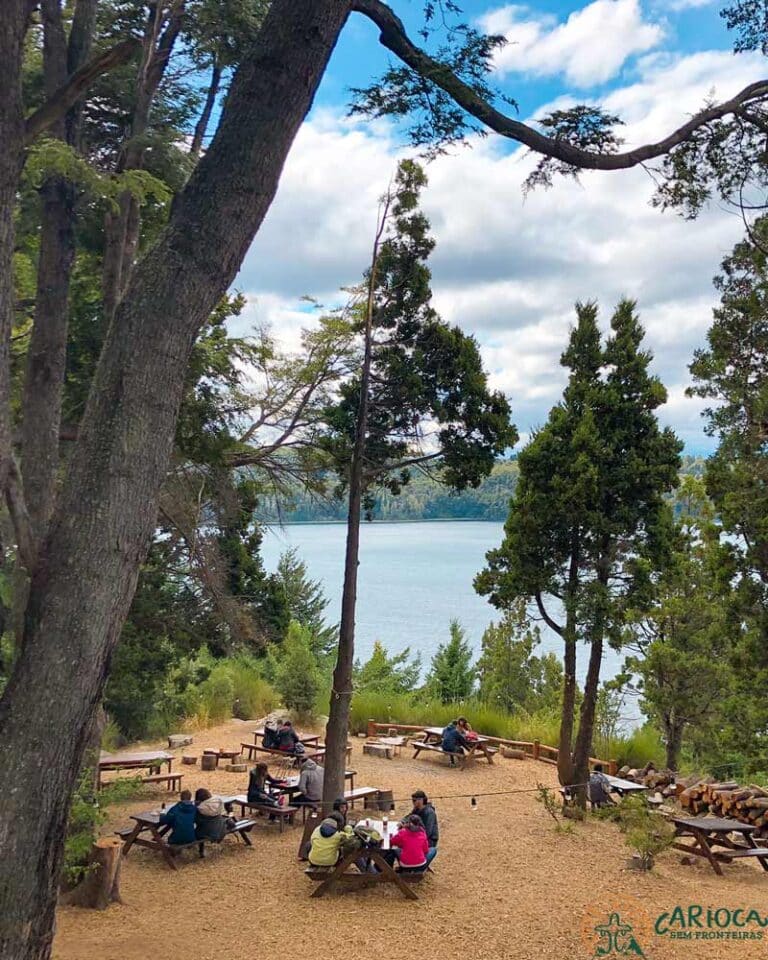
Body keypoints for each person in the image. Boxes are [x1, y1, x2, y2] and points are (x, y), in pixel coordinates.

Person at [410, 789, 438, 866]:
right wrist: (402, 822)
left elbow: (428, 832)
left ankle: (416, 864)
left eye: (414, 800)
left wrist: (413, 833)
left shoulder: (429, 813)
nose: (413, 802)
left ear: (421, 800)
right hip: (419, 836)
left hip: (429, 840)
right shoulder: (416, 809)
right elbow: (409, 816)